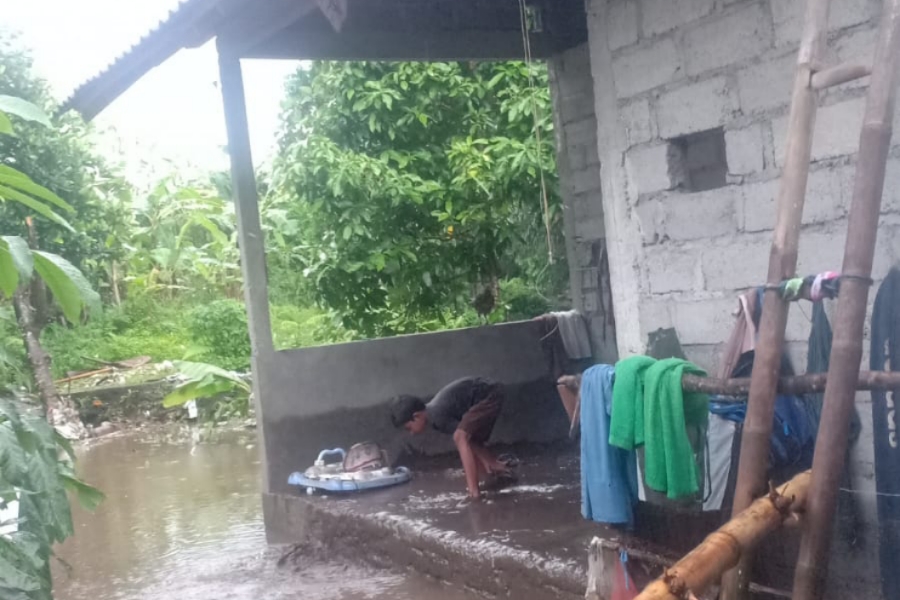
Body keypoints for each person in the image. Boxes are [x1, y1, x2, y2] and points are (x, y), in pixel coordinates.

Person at [390, 376, 513, 499]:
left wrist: (473, 493)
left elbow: (462, 439)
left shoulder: (437, 415)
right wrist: (490, 463)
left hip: (490, 394)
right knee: (463, 437)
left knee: (459, 437)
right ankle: (493, 467)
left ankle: (474, 492)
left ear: (416, 416)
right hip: (487, 395)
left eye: (409, 428)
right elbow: (470, 440)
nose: (411, 433)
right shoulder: (435, 418)